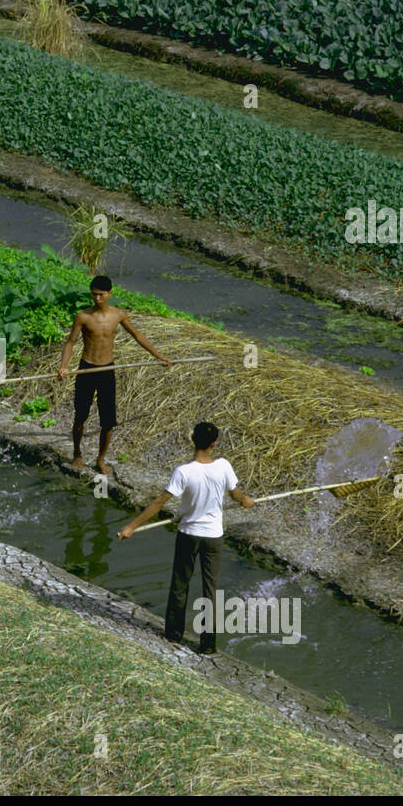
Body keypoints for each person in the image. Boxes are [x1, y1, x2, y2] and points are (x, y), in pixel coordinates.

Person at [117, 421, 256, 654]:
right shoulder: (223, 466)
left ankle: (173, 635)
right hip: (213, 537)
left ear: (193, 440)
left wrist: (131, 526)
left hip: (188, 535)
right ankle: (208, 645)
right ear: (214, 444)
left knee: (180, 585)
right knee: (210, 590)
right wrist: (246, 500)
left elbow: (159, 503)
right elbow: (236, 494)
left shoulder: (184, 471)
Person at [58, 275, 171, 477]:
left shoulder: (118, 315)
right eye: (93, 294)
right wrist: (64, 366)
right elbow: (70, 343)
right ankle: (77, 452)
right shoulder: (83, 316)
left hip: (107, 371)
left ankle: (101, 459)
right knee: (80, 415)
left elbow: (137, 336)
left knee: (108, 421)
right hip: (86, 369)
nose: (97, 299)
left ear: (110, 293)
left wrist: (158, 356)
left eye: (101, 295)